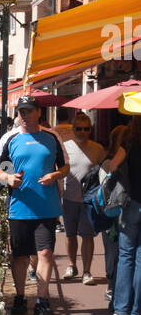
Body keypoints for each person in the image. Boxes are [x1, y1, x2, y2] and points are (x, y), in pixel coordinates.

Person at [0, 96, 70, 315]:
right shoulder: (10, 137)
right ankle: (20, 297)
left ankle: (42, 301)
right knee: (20, 256)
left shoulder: (52, 137)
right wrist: (7, 178)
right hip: (19, 207)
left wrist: (55, 175)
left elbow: (65, 166)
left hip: (47, 206)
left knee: (45, 253)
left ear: (38, 113)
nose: (24, 116)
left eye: (28, 111)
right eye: (21, 112)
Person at [101, 115, 141, 315]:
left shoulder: (129, 143)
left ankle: (122, 308)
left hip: (131, 203)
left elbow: (112, 166)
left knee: (126, 256)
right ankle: (137, 310)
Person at [60, 112, 105, 284]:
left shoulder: (97, 149)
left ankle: (87, 271)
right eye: (78, 129)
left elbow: (104, 172)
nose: (82, 132)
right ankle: (72, 265)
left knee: (88, 236)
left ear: (90, 130)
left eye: (86, 129)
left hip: (89, 201)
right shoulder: (65, 147)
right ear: (73, 129)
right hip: (69, 198)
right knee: (70, 235)